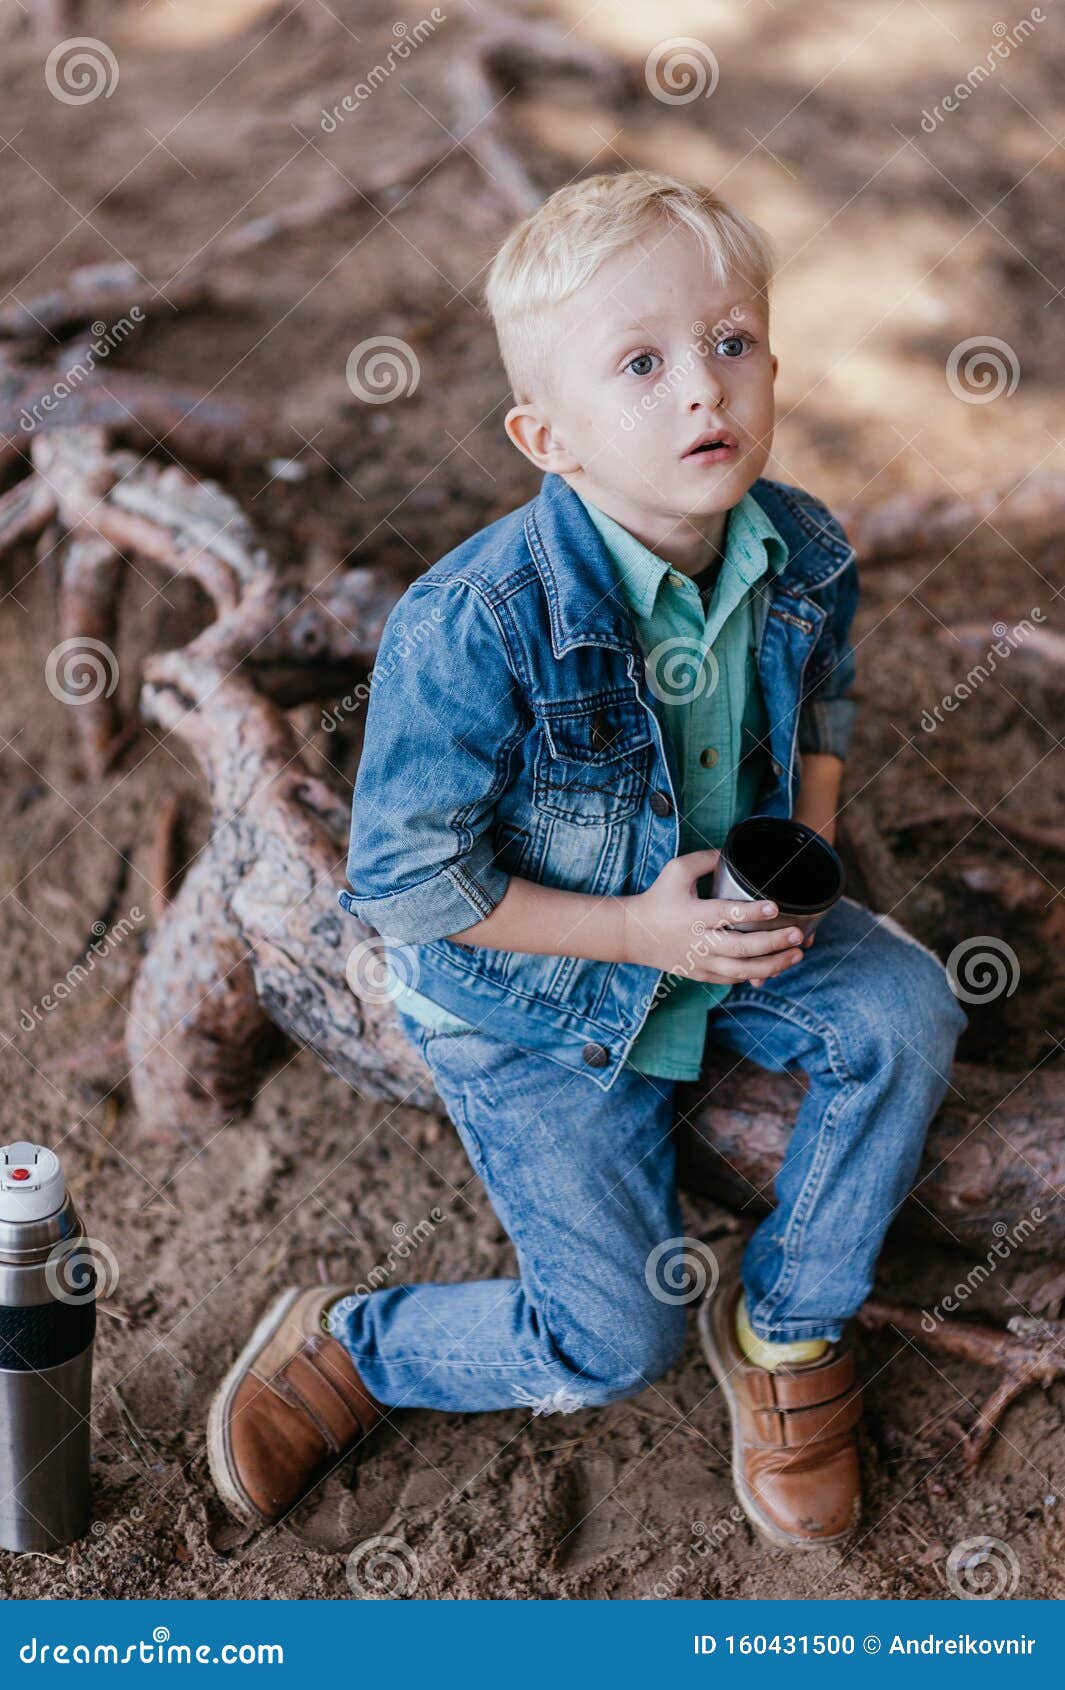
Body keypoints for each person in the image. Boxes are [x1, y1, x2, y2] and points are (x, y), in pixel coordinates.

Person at [207, 170, 968, 1551]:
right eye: (643, 362)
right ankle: (358, 1345)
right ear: (544, 433)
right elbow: (407, 883)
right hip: (536, 992)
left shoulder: (800, 549)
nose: (704, 391)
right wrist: (634, 936)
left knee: (909, 1008)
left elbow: (831, 694)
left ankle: (788, 1320)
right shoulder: (475, 622)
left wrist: (801, 842)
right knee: (611, 1341)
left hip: (724, 917)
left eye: (731, 341)